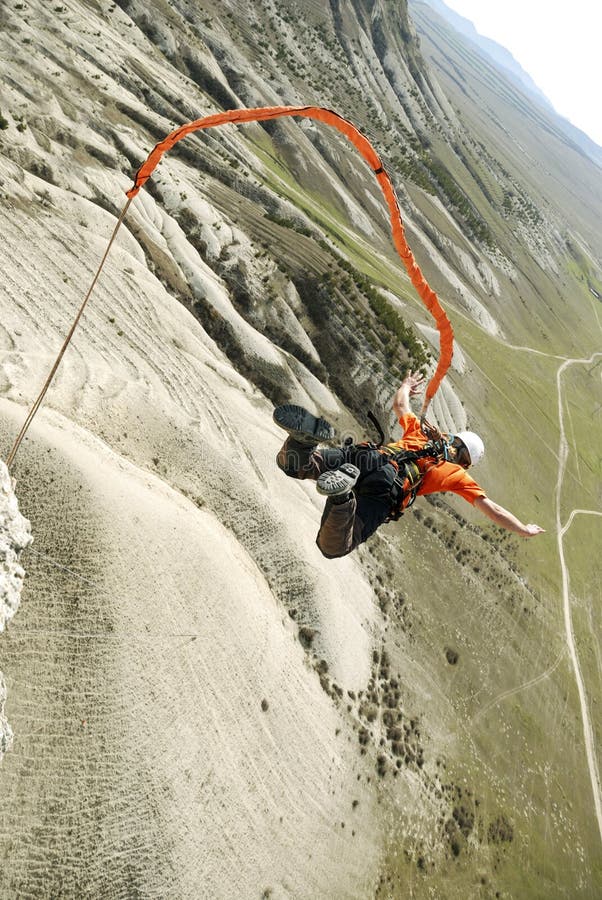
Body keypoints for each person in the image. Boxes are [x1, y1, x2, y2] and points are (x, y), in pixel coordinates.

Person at [274, 370, 545, 558]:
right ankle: (342, 497)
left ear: (455, 438)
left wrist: (406, 385)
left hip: (368, 456)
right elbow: (493, 510)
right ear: (466, 462)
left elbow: (400, 405)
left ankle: (303, 441)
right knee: (333, 546)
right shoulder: (456, 473)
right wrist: (523, 529)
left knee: (297, 466)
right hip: (386, 487)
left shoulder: (421, 431)